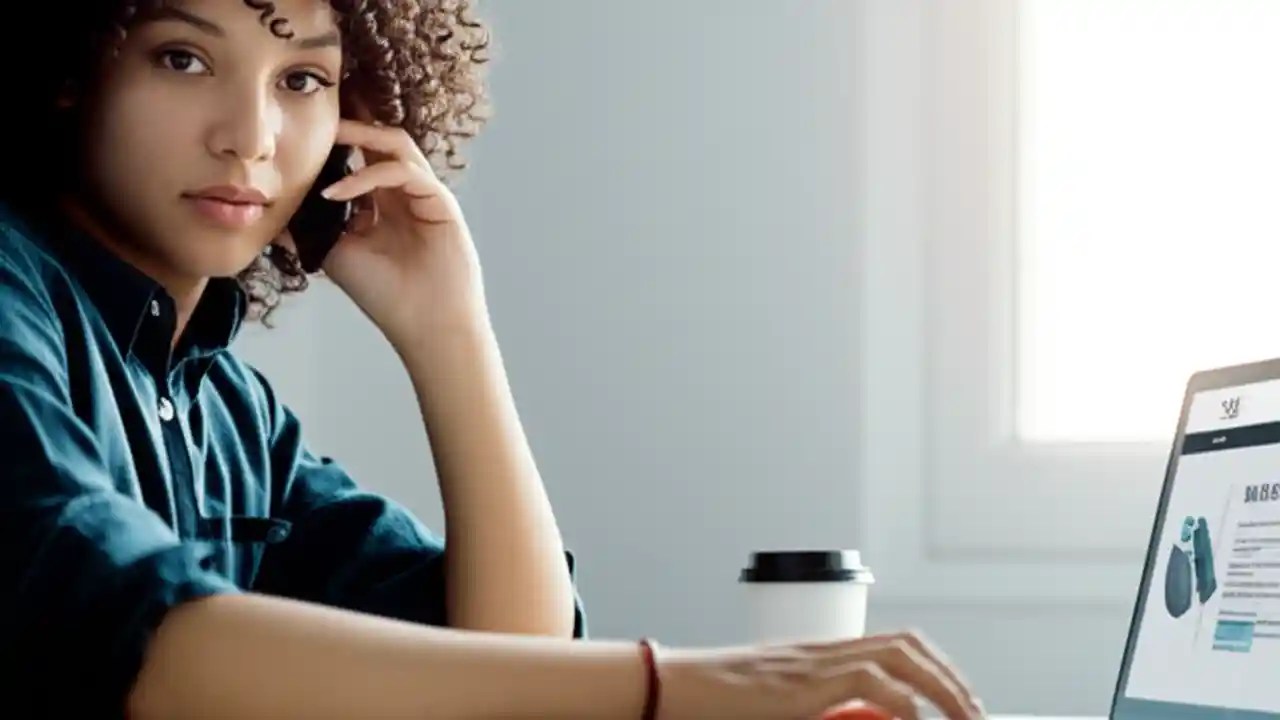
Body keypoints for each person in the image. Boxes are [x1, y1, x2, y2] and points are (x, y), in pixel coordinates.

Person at [0, 1, 987, 718]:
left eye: (301, 79)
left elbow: (506, 670)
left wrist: (449, 332)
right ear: (70, 65)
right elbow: (122, 639)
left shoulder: (227, 408)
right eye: (181, 58)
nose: (249, 137)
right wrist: (677, 683)